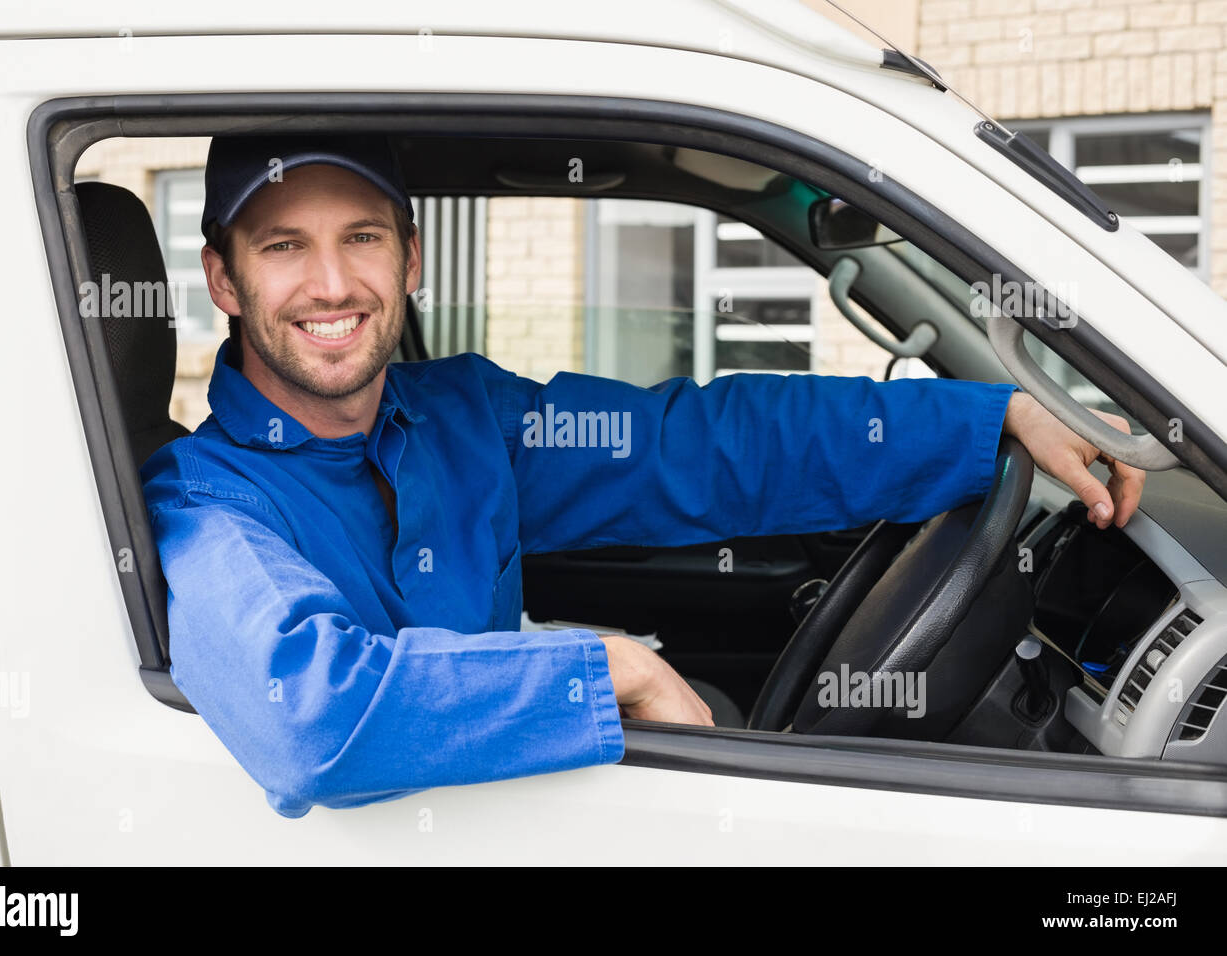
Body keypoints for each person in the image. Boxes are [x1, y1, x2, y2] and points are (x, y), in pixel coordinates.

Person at [140, 133, 1145, 818]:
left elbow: (698, 444)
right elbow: (313, 713)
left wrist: (988, 416)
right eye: (284, 247)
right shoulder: (203, 501)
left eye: (360, 237)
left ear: (409, 257)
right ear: (225, 278)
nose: (330, 284)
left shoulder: (463, 420)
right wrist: (606, 669)